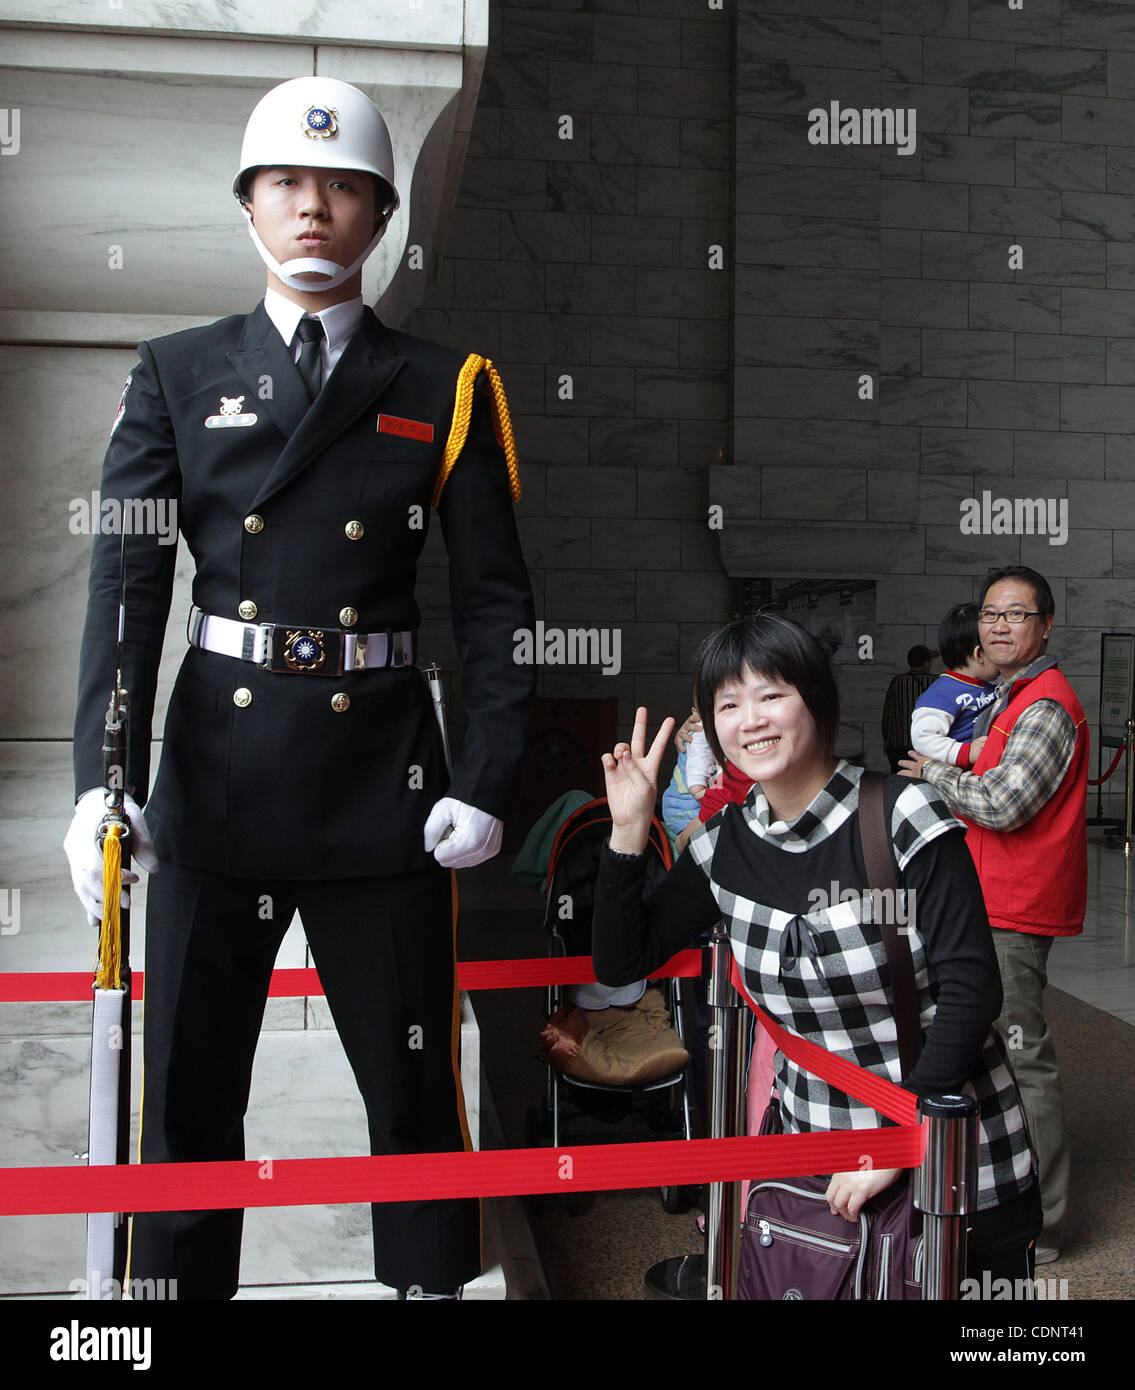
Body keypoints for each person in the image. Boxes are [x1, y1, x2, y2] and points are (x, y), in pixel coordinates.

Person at [62, 76, 535, 1300]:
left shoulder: (449, 382)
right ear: (248, 207)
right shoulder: (173, 371)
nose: (311, 208)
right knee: (187, 1084)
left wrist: (486, 776)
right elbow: (127, 587)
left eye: (341, 187)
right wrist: (100, 786)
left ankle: (429, 1289)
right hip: (216, 783)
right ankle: (169, 1310)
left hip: (382, 781)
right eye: (286, 184)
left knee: (413, 1076)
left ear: (381, 215)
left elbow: (494, 605)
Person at [593, 615, 1040, 1283]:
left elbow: (971, 989)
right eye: (727, 703)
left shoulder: (902, 815)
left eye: (770, 694)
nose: (750, 720)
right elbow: (620, 964)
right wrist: (627, 830)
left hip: (950, 1153)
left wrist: (901, 1139)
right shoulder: (722, 847)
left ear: (816, 700)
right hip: (812, 1154)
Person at [900, 566, 1087, 1264]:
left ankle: (1041, 1225)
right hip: (988, 897)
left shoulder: (1044, 704)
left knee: (1021, 1056)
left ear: (1043, 626)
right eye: (989, 613)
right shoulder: (1003, 697)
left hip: (1016, 902)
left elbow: (1005, 804)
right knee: (989, 1052)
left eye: (1015, 614)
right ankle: (994, 1199)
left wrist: (934, 773)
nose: (998, 625)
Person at [910, 603, 998, 769]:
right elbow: (923, 737)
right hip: (950, 780)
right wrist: (965, 752)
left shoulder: (987, 688)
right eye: (996, 647)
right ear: (979, 654)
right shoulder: (941, 694)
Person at [881, 643, 937, 773]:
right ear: (926, 663)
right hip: (924, 745)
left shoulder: (898, 682)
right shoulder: (934, 682)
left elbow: (888, 713)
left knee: (898, 779)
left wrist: (886, 740)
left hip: (899, 743)